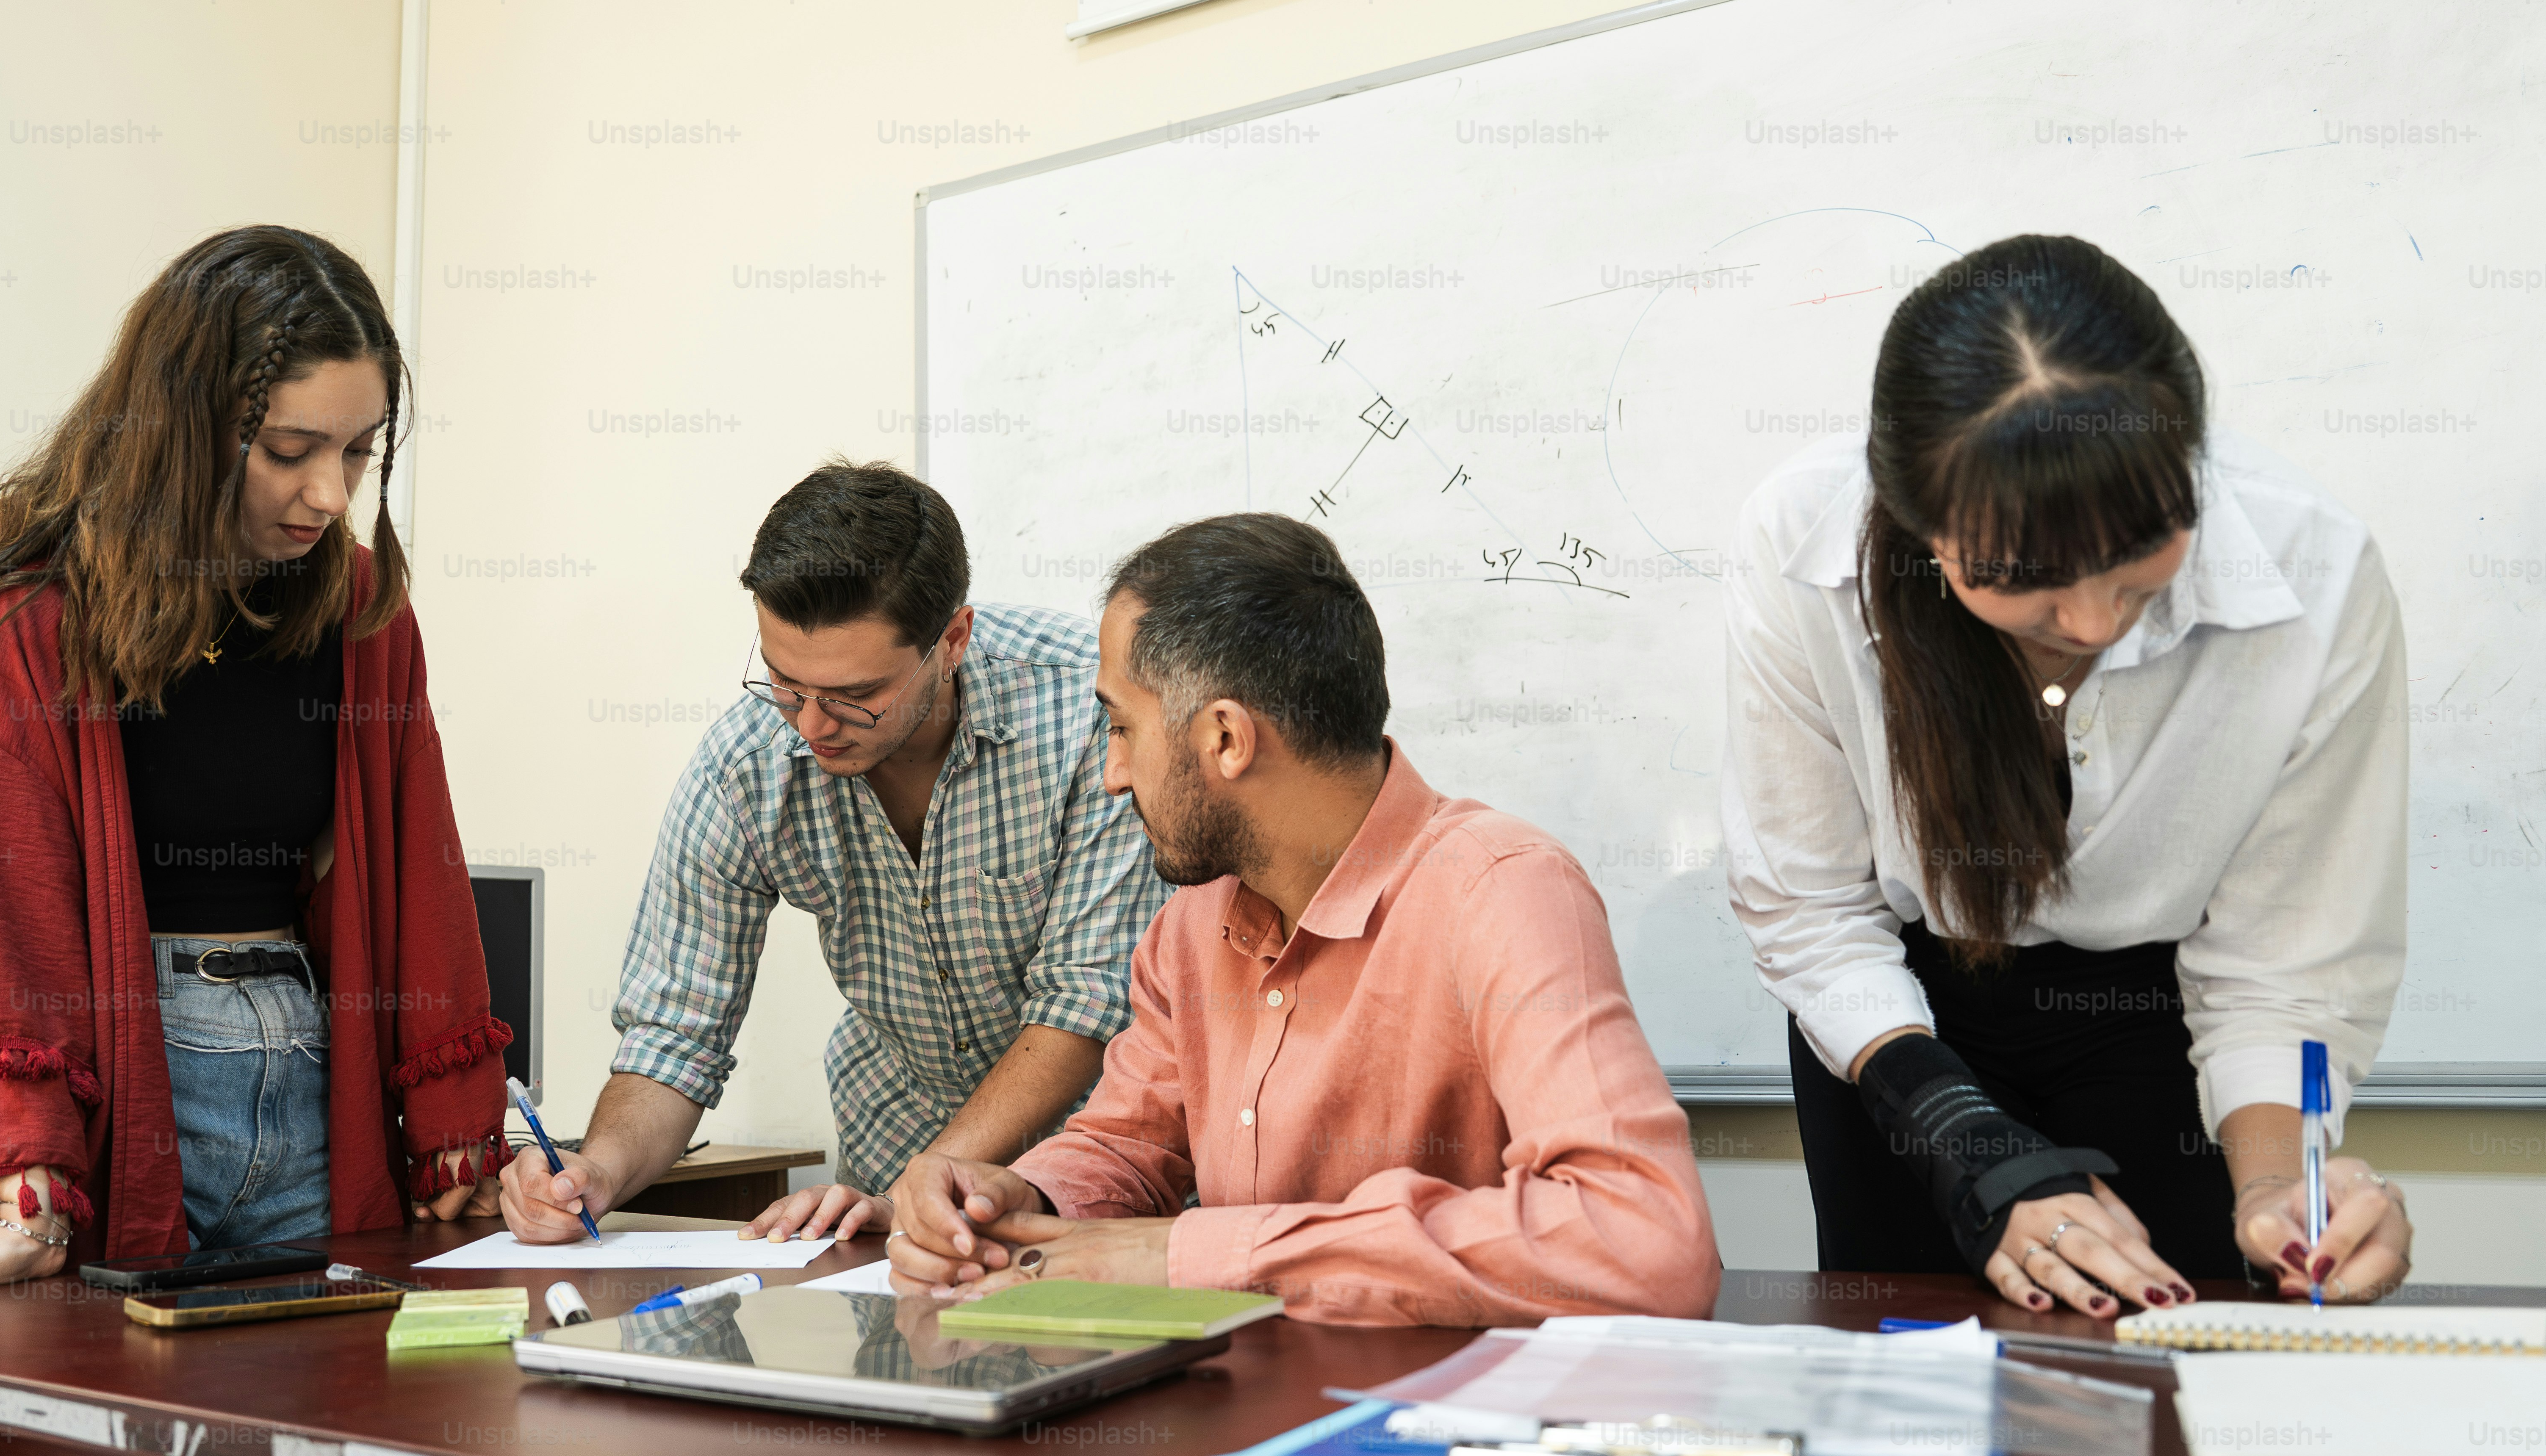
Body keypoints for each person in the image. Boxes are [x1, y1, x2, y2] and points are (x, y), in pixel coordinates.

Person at [1720, 233, 2413, 1312]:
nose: (2090, 622)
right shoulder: (1801, 541)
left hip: (2165, 1019)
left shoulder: (2313, 573)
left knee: (2172, 1354)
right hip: (1904, 1022)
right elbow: (1810, 908)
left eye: (2140, 554)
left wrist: (2279, 1191)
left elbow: (2284, 961)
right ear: (1919, 526)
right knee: (1907, 1363)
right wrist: (1962, 1137)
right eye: (2024, 575)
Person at [0, 226, 511, 1288]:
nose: (331, 495)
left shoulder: (359, 610)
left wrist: (458, 1132)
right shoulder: (28, 623)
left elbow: (418, 873)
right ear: (184, 431)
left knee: (344, 1387)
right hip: (126, 1093)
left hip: (313, 1081)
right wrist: (26, 1195)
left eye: (358, 452)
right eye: (290, 452)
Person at [884, 514, 1721, 1327]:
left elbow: (1643, 1242)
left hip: (1445, 1406)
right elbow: (1129, 1144)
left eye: (1121, 727)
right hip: (1249, 1396)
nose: (1112, 774)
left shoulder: (1502, 890)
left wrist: (1197, 1253)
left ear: (1225, 738)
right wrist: (1019, 1198)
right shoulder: (1188, 928)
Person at [498, 464, 1164, 1246]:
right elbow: (675, 1031)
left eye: (855, 695)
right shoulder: (747, 764)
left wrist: (923, 1187)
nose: (811, 726)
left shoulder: (1090, 712)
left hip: (1087, 1168)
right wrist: (600, 1169)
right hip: (891, 1152)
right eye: (785, 682)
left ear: (953, 640)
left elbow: (1082, 1005)